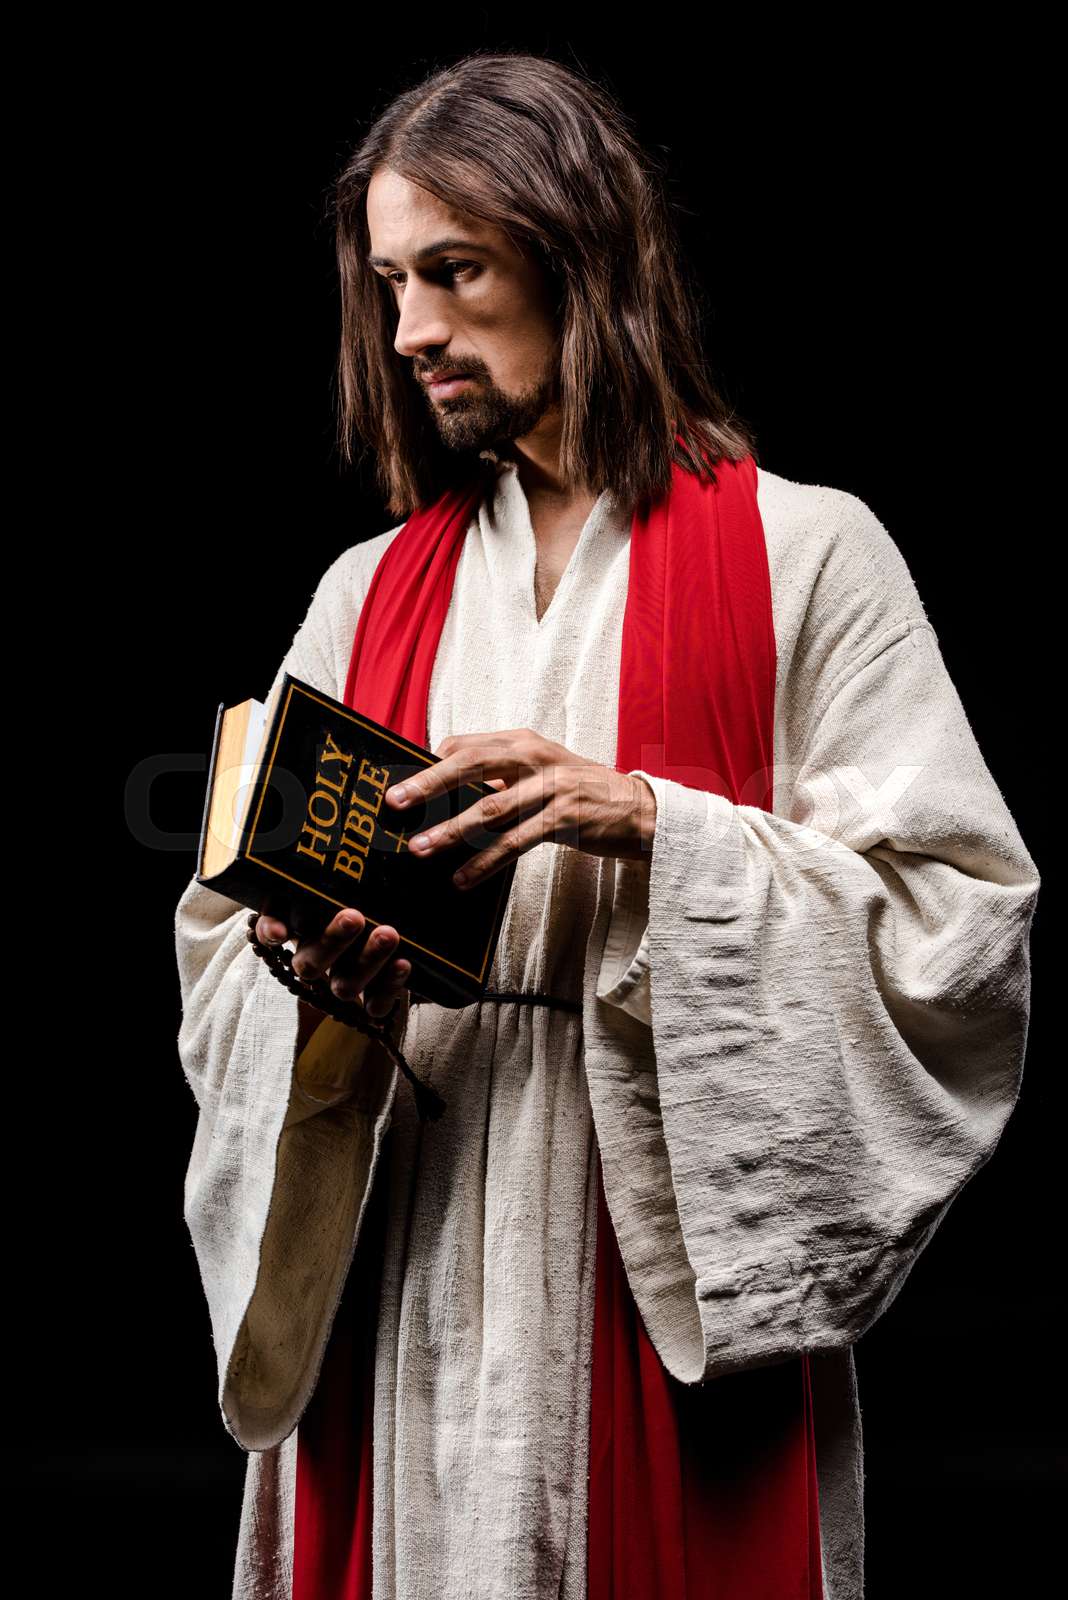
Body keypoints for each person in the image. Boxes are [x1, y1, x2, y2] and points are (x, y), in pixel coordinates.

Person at [173, 52, 1040, 1600]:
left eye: (454, 271)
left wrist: (655, 826)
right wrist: (320, 995)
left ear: (582, 258)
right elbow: (218, 948)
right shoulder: (362, 595)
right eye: (388, 284)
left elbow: (958, 923)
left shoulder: (807, 555)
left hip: (653, 1264)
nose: (411, 330)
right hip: (413, 1253)